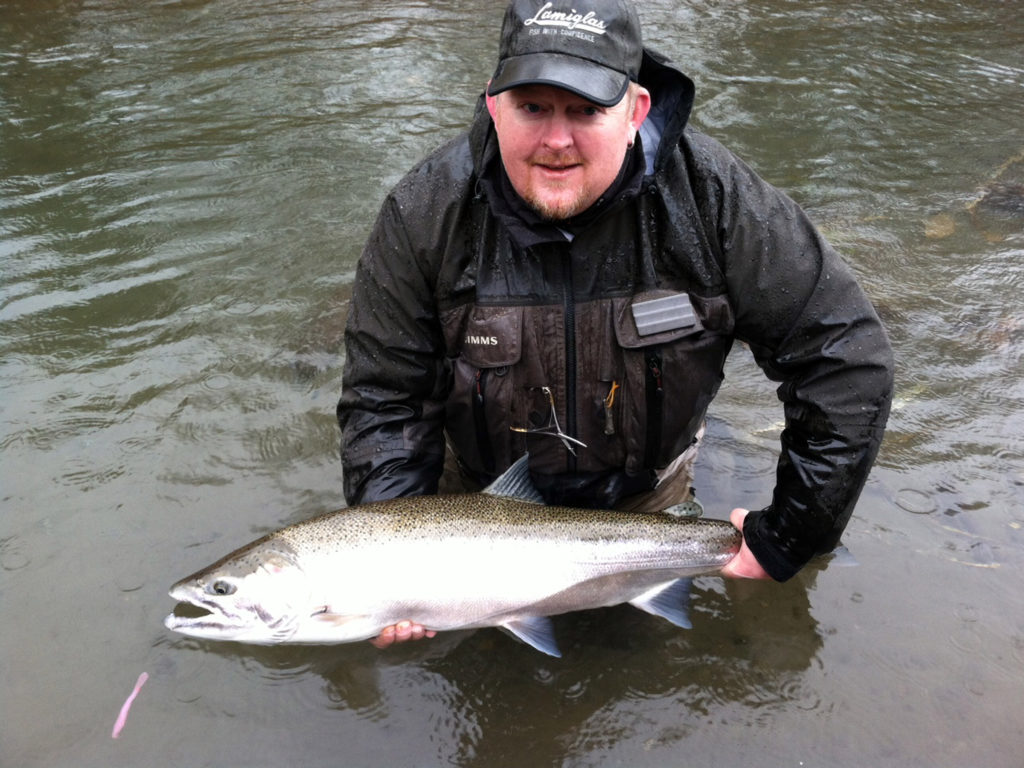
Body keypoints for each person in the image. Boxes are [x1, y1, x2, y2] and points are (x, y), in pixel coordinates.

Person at [337, 0, 894, 647]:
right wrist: (393, 558)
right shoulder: (424, 215)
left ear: (636, 109)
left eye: (585, 110)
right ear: (494, 104)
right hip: (475, 519)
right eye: (533, 107)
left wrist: (791, 535)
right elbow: (384, 397)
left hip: (645, 507)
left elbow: (845, 357)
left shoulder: (713, 202)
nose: (556, 140)